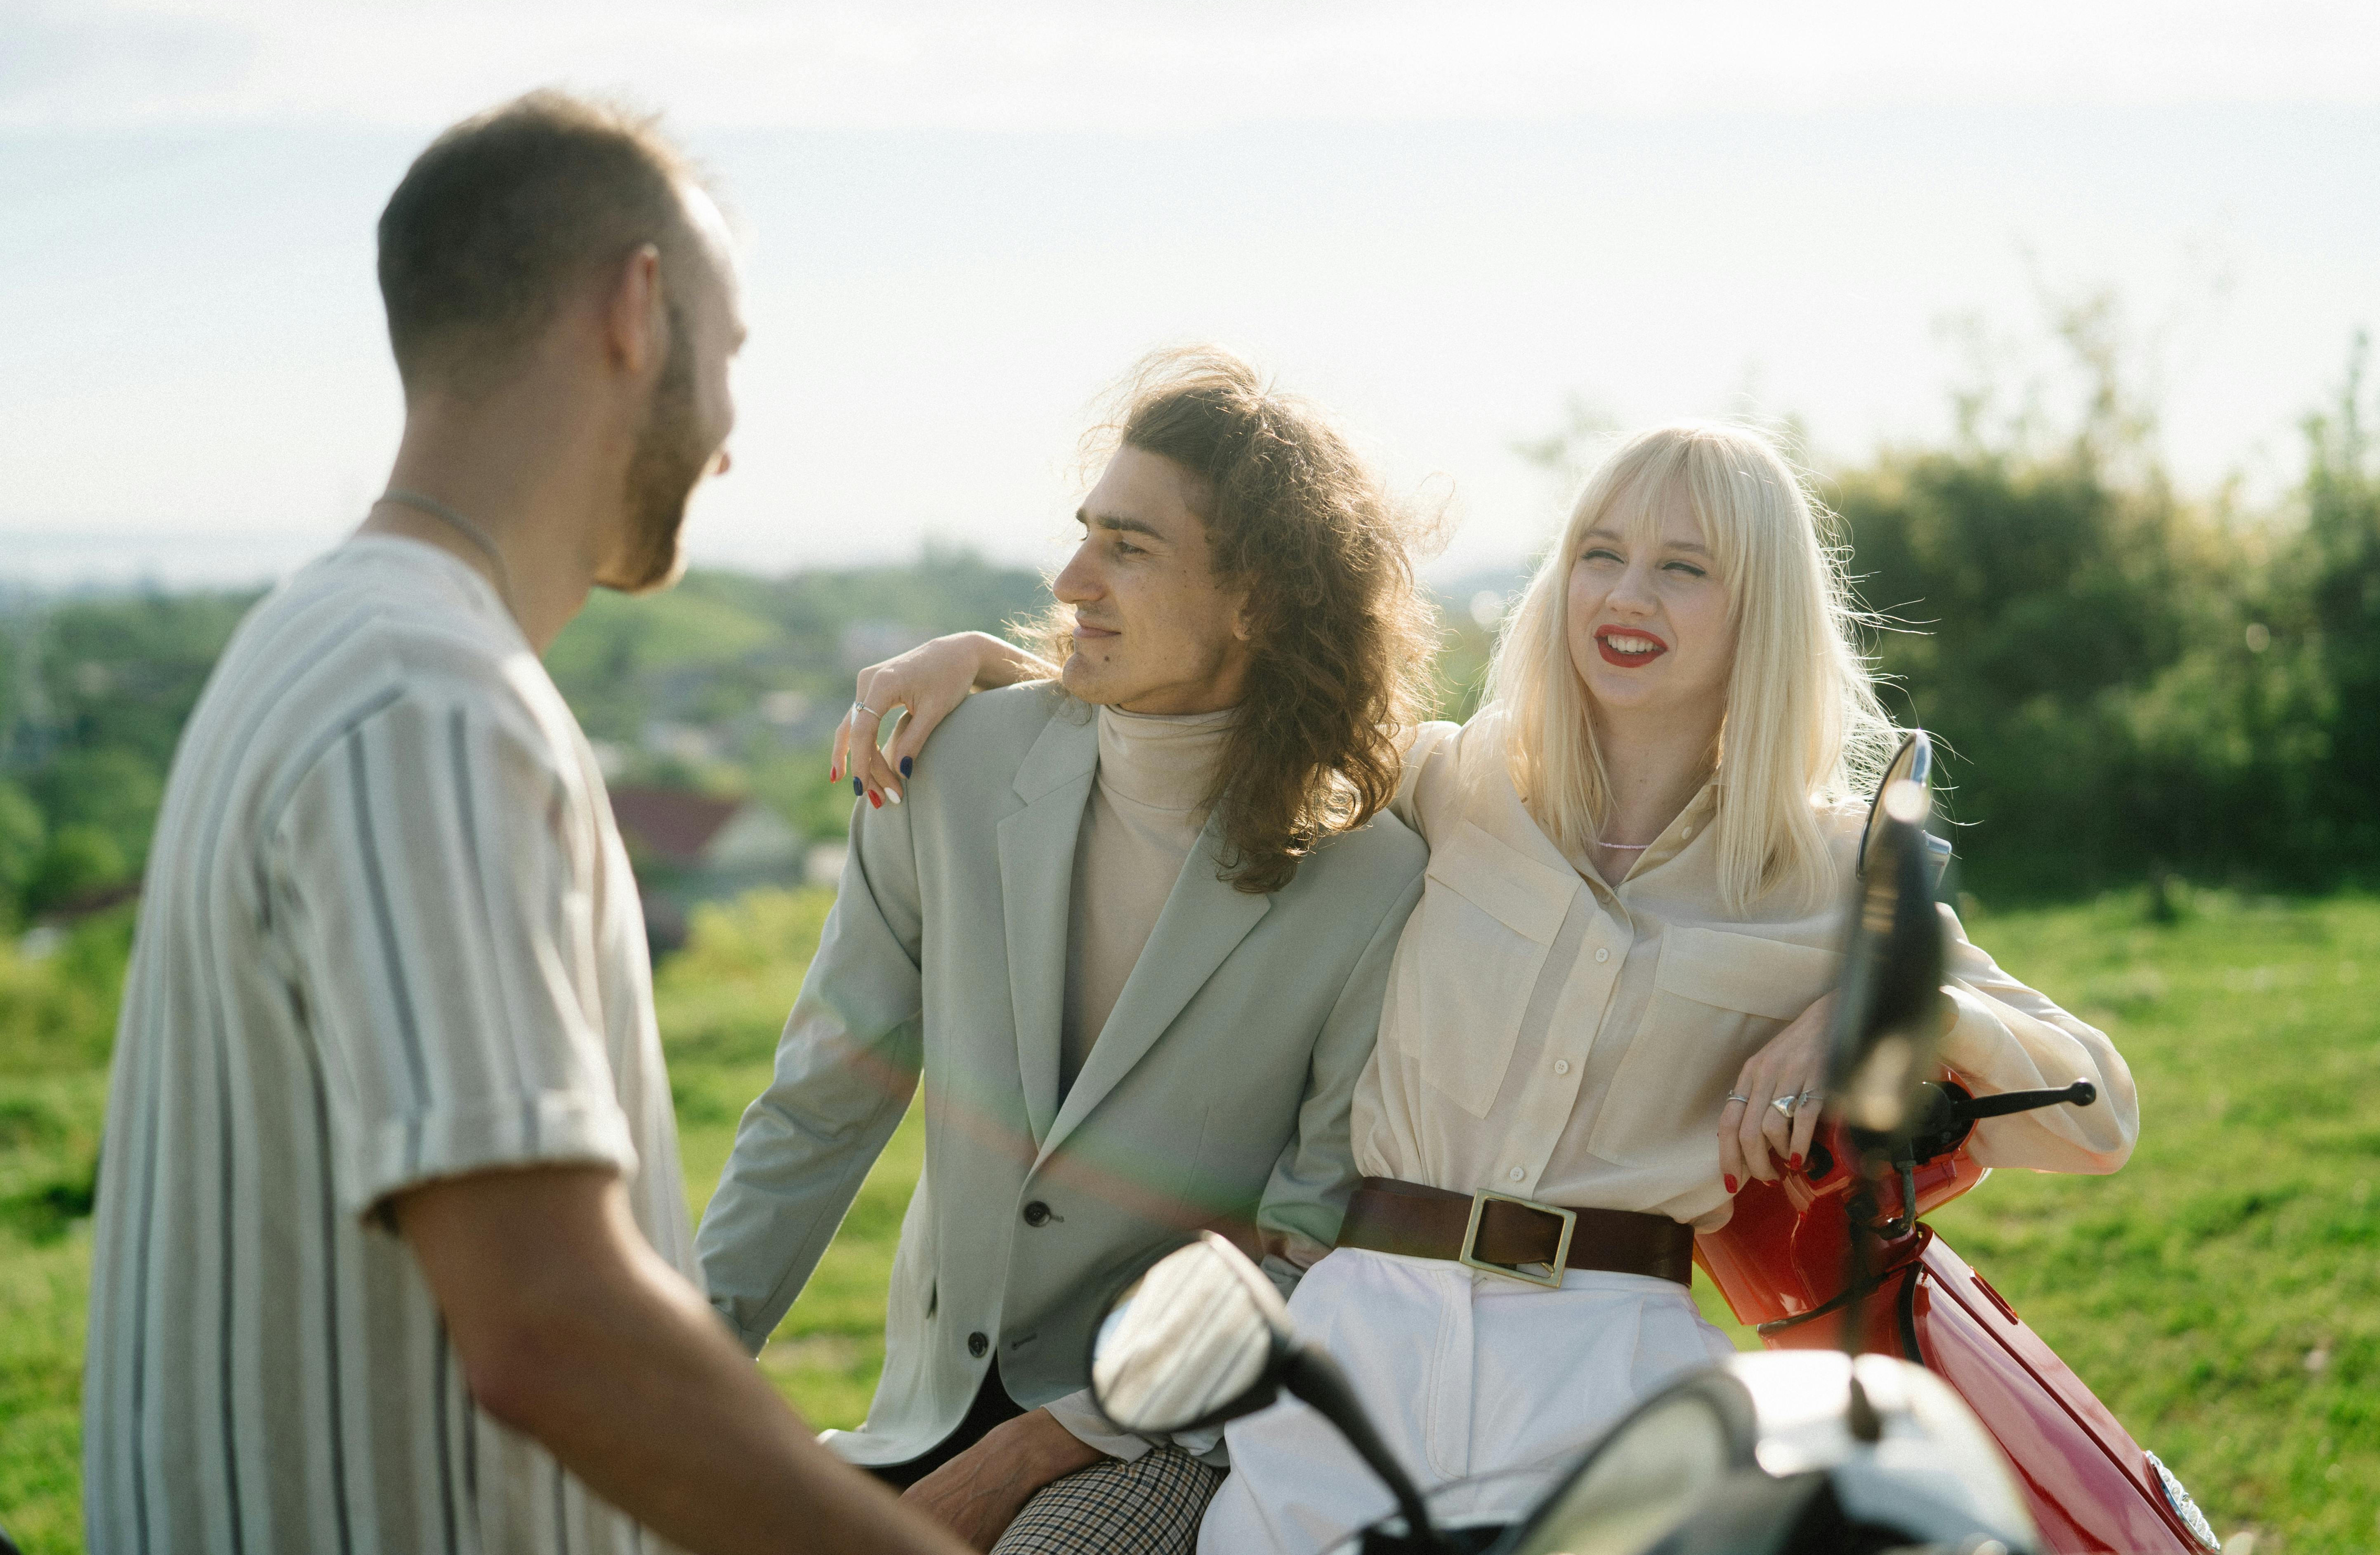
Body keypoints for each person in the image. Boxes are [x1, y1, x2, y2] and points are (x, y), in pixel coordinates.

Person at [856, 420, 2144, 1553]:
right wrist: (986, 669)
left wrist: (1877, 1014)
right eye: (1599, 553)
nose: (1624, 595)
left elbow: (2100, 1115)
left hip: (1611, 1373)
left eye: (1683, 568)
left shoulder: (1832, 874)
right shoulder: (1445, 780)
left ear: (1762, 612)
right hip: (1354, 1341)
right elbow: (1202, 726)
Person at [82, 92, 968, 1555]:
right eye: (728, 353)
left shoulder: (333, 637)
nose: (728, 441)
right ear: (635, 309)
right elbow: (553, 1328)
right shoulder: (426, 699)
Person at [695, 348, 1434, 1555]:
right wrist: (680, 1365)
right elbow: (819, 1108)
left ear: (1257, 600)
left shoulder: (1372, 881)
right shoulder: (950, 769)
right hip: (921, 1410)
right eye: (1085, 533)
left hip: (1160, 1431)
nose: (1070, 579)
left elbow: (1307, 1248)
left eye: (1127, 549)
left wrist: (1034, 1451)